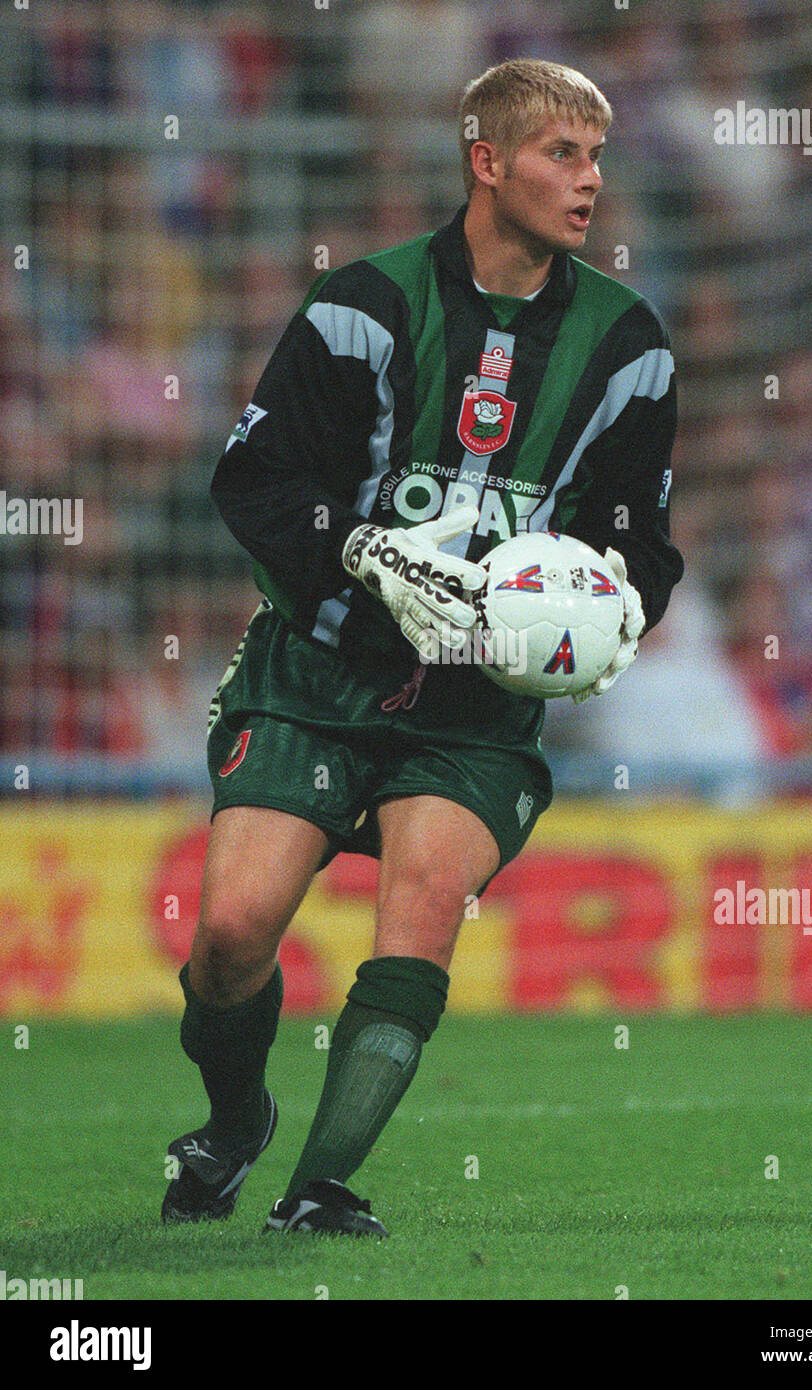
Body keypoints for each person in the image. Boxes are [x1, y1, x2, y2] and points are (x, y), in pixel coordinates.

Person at [162, 58, 683, 1238]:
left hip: (474, 706)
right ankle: (235, 1123)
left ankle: (317, 1189)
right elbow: (254, 476)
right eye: (562, 153)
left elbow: (635, 534)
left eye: (597, 157)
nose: (589, 181)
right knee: (233, 932)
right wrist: (357, 551)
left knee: (426, 900)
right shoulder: (360, 303)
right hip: (318, 664)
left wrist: (609, 604)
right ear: (486, 162)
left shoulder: (629, 342)